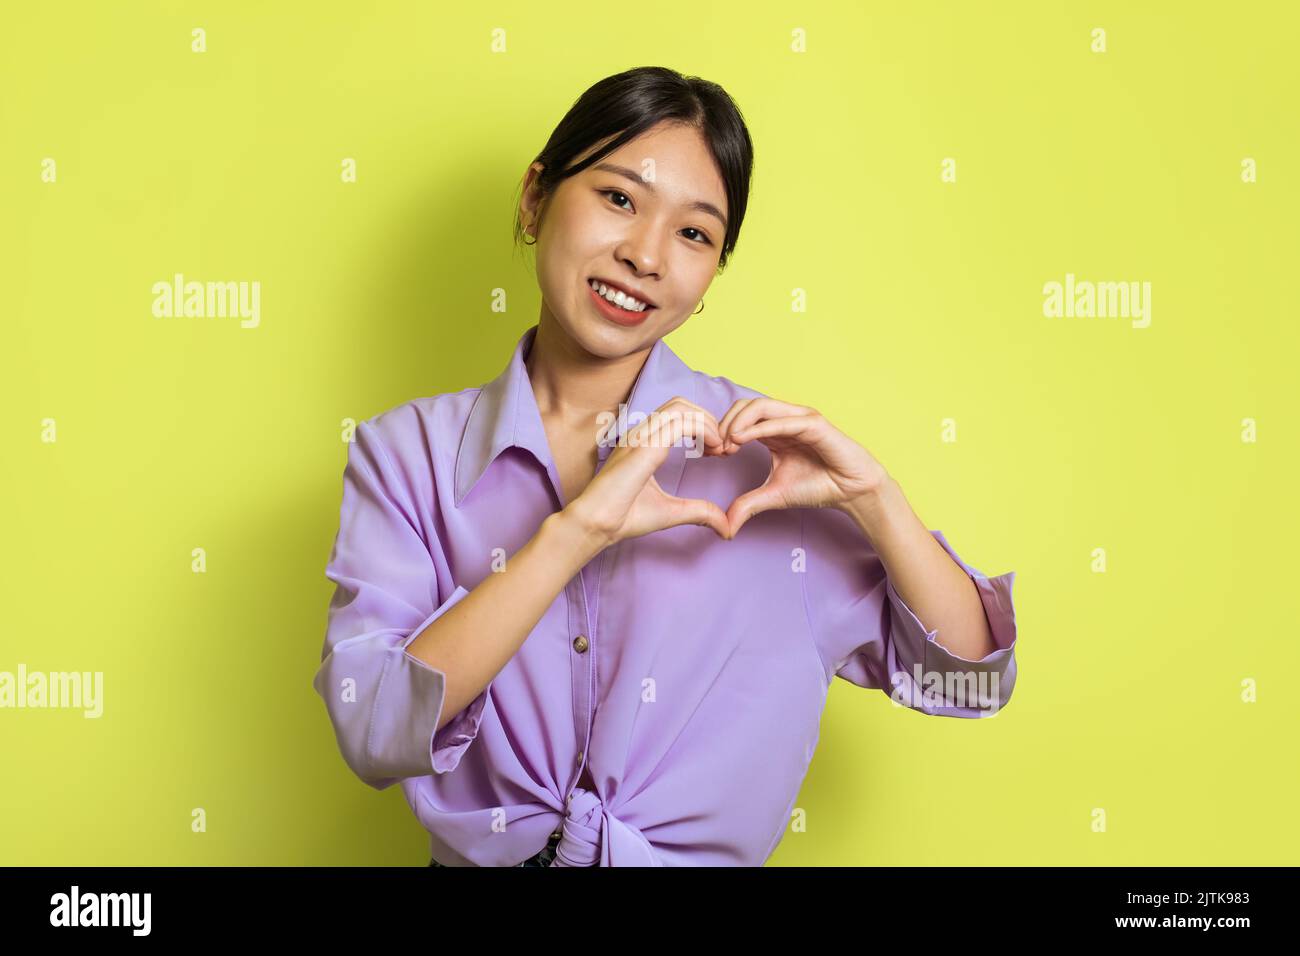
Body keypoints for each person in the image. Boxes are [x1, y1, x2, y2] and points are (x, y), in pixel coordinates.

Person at [313, 66, 1019, 867]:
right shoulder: (406, 454)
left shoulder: (768, 462)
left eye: (694, 233)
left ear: (713, 272)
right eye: (619, 198)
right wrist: (575, 532)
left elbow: (971, 681)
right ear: (535, 196)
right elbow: (371, 728)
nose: (645, 255)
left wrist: (877, 500)